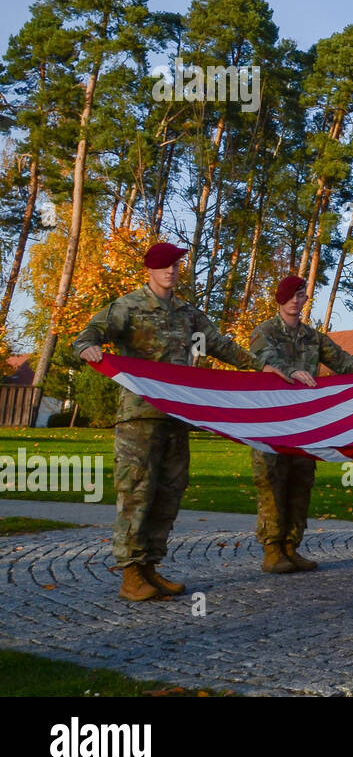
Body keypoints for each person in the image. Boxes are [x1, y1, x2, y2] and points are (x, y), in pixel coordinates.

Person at [73, 242, 298, 601]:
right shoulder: (128, 306)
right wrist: (88, 348)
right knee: (137, 491)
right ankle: (131, 573)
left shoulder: (187, 313)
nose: (171, 271)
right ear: (149, 269)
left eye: (176, 265)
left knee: (170, 490)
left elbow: (220, 345)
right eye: (165, 265)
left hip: (178, 416)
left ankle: (151, 567)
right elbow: (87, 336)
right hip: (140, 416)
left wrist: (261, 366)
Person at [248, 275, 353, 574]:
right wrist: (291, 371)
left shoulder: (313, 337)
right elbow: (265, 360)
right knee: (272, 484)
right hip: (272, 422)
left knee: (300, 484)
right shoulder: (264, 332)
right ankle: (272, 549)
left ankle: (291, 547)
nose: (297, 300)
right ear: (280, 300)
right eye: (291, 295)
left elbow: (346, 363)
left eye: (301, 295)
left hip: (306, 425)